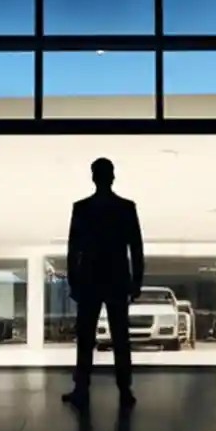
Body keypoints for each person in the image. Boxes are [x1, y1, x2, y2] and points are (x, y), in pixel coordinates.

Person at [62, 157, 144, 409]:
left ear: (93, 177)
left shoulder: (82, 208)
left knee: (86, 337)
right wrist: (136, 280)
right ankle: (124, 389)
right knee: (120, 337)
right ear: (112, 176)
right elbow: (136, 248)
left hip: (89, 280)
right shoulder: (126, 207)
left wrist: (74, 281)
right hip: (117, 278)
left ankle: (82, 388)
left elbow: (73, 249)